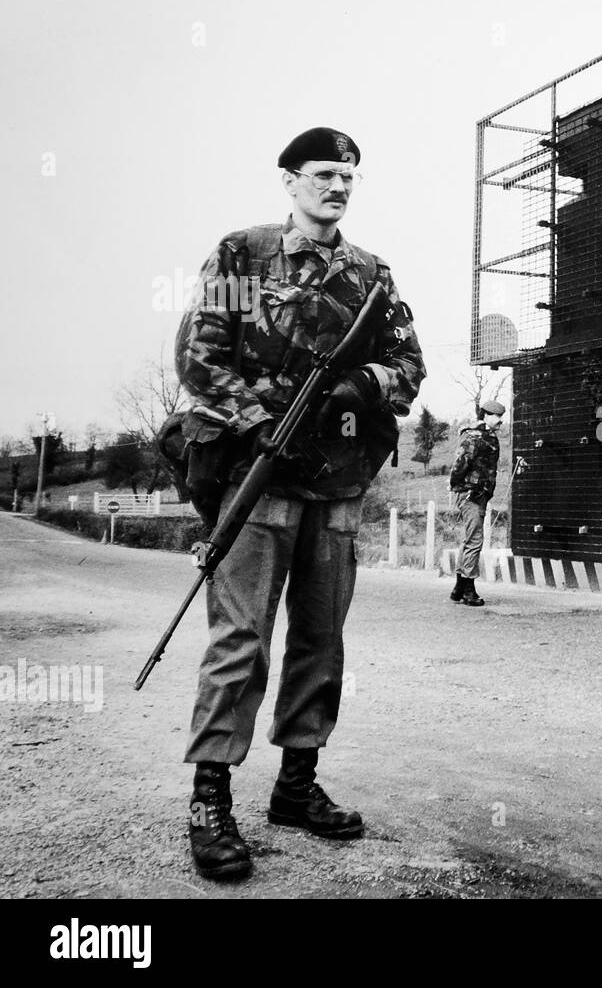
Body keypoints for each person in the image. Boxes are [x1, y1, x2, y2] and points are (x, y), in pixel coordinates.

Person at [174, 127, 426, 880]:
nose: (338, 186)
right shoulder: (242, 255)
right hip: (259, 481)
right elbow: (200, 357)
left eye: (349, 175)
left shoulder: (371, 273)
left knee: (321, 641)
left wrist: (364, 384)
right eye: (323, 173)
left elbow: (410, 364)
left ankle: (295, 785)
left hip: (338, 485)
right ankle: (209, 802)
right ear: (289, 181)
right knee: (239, 641)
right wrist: (263, 429)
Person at [449, 399, 505, 606]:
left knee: (469, 539)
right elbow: (460, 463)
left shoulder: (488, 436)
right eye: (497, 417)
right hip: (470, 494)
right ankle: (468, 590)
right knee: (475, 540)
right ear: (486, 415)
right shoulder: (474, 435)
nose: (500, 421)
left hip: (479, 494)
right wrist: (457, 485)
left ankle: (458, 588)